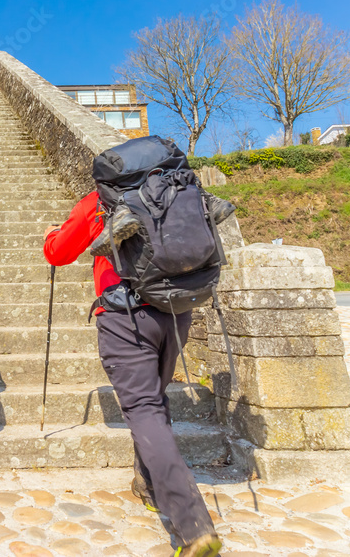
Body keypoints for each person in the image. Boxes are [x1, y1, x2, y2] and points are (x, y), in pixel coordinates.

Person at [43, 191, 226, 557]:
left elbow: (58, 253)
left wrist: (51, 234)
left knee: (144, 409)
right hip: (176, 309)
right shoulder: (175, 194)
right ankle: (150, 486)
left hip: (125, 315)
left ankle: (193, 526)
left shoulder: (100, 200)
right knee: (154, 402)